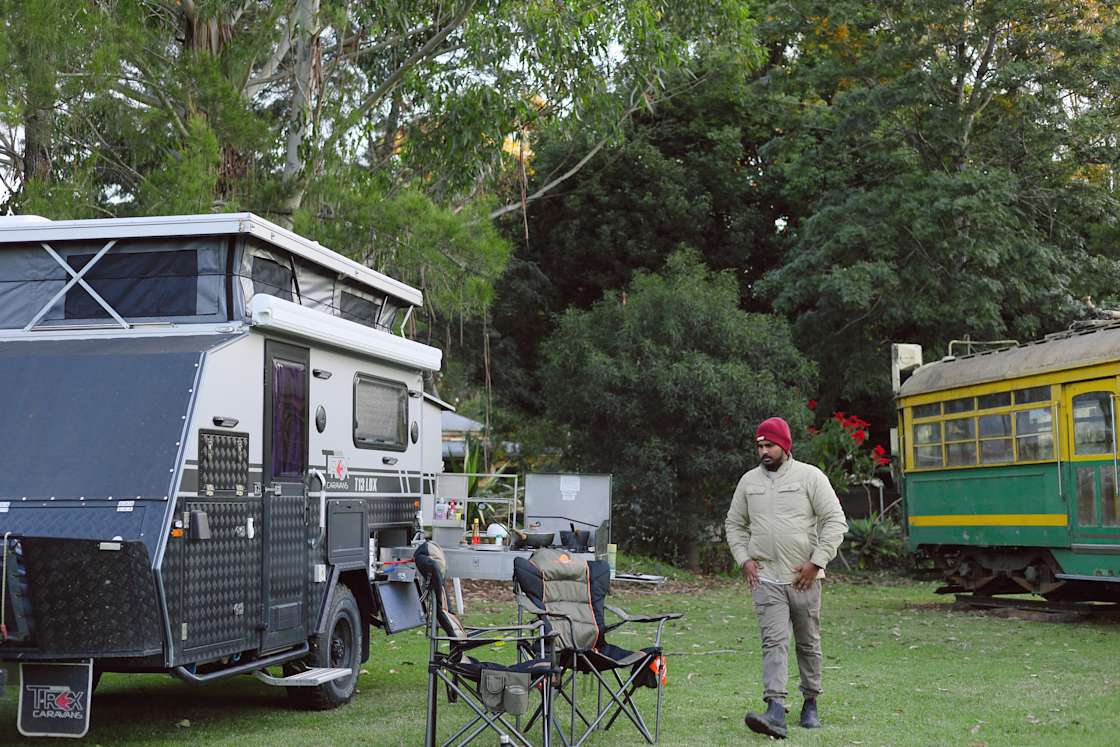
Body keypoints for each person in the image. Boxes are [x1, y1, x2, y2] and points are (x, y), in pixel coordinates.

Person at [725, 416, 848, 739]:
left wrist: (816, 561)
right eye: (760, 445)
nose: (764, 451)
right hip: (766, 578)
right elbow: (734, 525)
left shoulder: (810, 477)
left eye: (769, 445)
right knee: (774, 642)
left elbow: (835, 521)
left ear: (785, 446)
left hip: (803, 578)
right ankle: (775, 709)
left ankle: (810, 702)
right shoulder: (748, 482)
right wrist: (744, 559)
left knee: (808, 643)